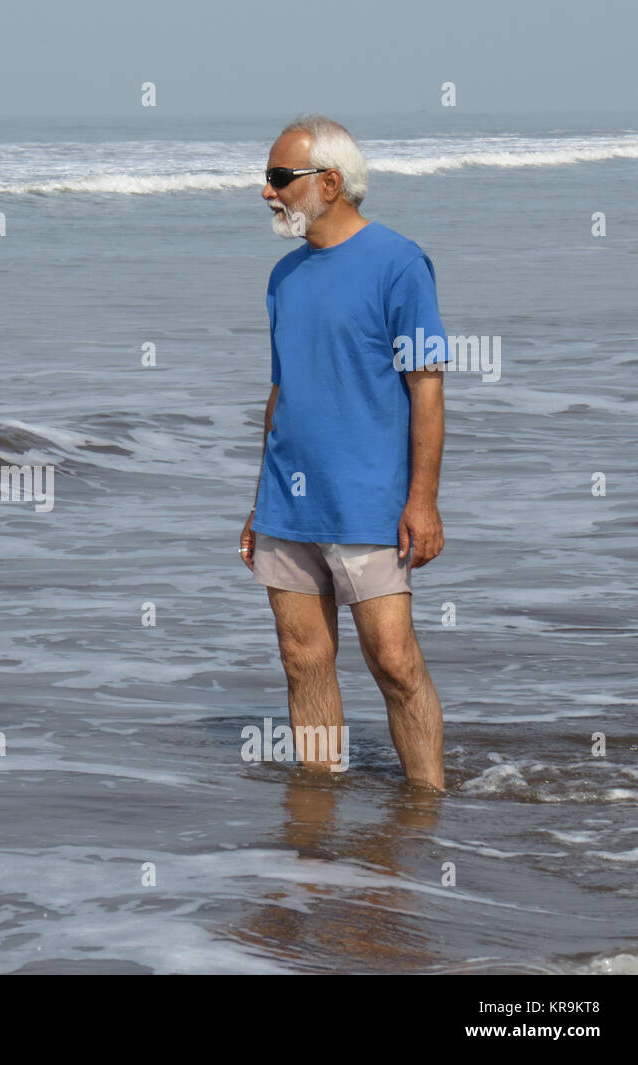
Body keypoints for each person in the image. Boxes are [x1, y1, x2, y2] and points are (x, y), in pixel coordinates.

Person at [240, 114, 447, 791]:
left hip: (368, 503)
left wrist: (422, 501)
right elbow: (282, 391)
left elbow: (426, 389)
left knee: (393, 659)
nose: (267, 193)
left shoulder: (399, 263)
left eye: (279, 179)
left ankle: (428, 801)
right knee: (304, 659)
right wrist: (258, 505)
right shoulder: (282, 278)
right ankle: (319, 812)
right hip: (287, 507)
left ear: (330, 182)